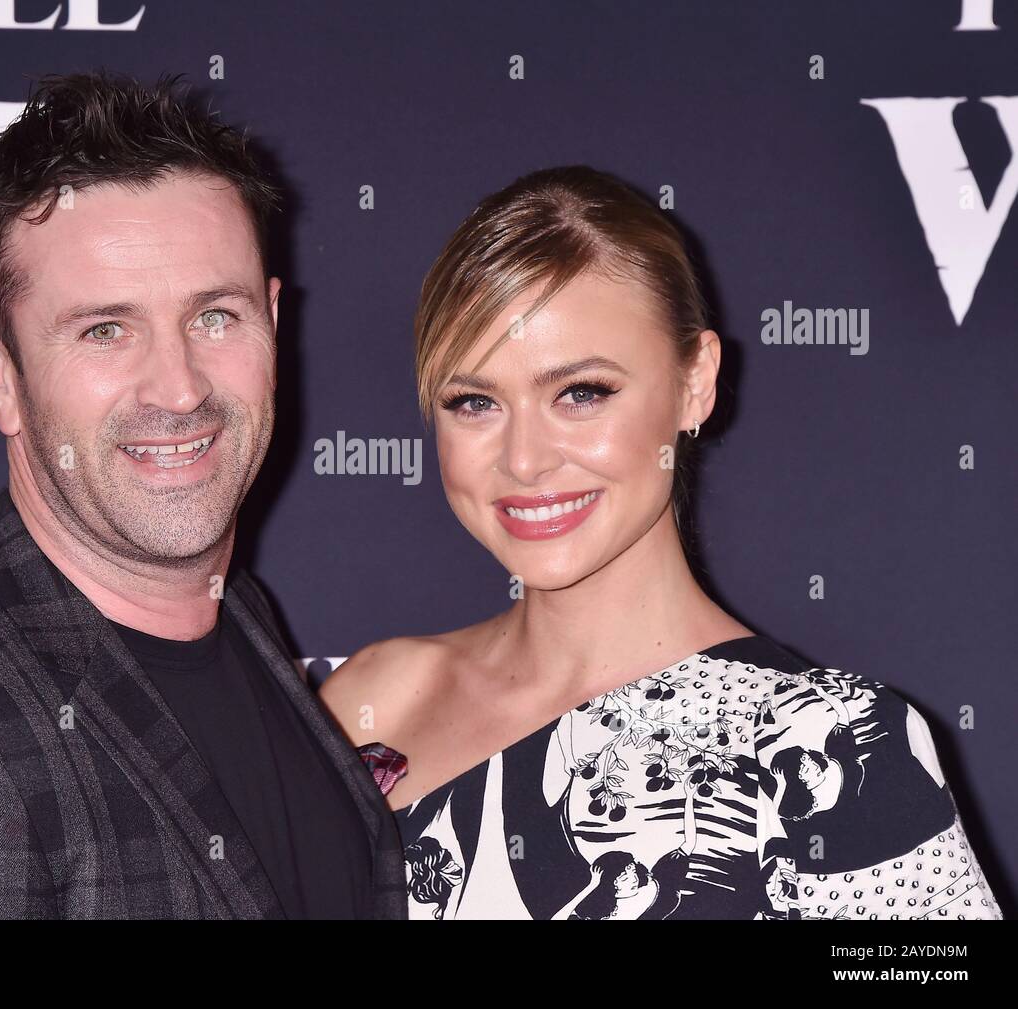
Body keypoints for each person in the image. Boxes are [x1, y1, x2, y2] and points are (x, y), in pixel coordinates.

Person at [0, 71, 405, 920]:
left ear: (273, 321)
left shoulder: (234, 613)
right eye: (106, 330)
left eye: (216, 316)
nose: (178, 388)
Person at [319, 165, 1002, 921]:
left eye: (581, 393)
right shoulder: (369, 701)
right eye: (474, 401)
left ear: (695, 382)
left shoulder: (832, 741)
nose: (523, 459)